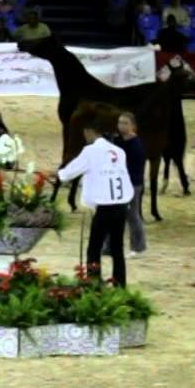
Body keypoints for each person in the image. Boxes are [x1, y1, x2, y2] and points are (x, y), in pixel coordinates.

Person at [57, 117, 135, 286]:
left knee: (94, 248)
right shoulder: (119, 151)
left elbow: (69, 172)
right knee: (117, 248)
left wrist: (58, 174)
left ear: (89, 132)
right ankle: (120, 285)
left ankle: (93, 284)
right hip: (122, 206)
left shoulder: (90, 151)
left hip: (105, 207)